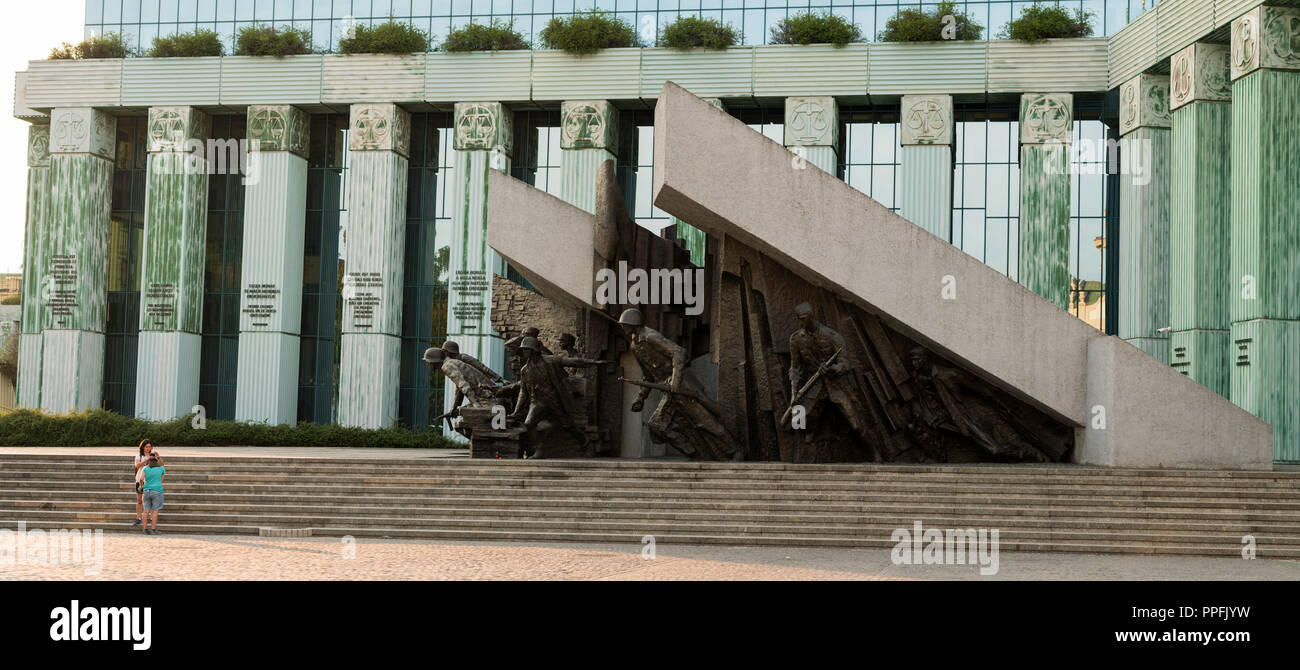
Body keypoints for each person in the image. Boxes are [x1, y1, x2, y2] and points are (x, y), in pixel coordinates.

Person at [133, 440, 163, 526]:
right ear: (143, 447)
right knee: (139, 500)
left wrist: (158, 457)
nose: (148, 448)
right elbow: (137, 466)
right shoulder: (139, 456)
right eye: (146, 447)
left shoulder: (153, 455)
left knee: (150, 500)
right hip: (140, 480)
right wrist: (146, 460)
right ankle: (138, 517)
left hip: (151, 481)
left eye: (150, 447)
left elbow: (161, 465)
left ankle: (149, 517)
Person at [139, 453, 166, 535]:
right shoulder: (161, 468)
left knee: (145, 511)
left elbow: (141, 479)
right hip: (157, 490)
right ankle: (153, 530)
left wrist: (141, 486)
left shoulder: (145, 468)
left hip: (146, 491)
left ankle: (145, 529)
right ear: (157, 461)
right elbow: (161, 481)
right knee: (155, 511)